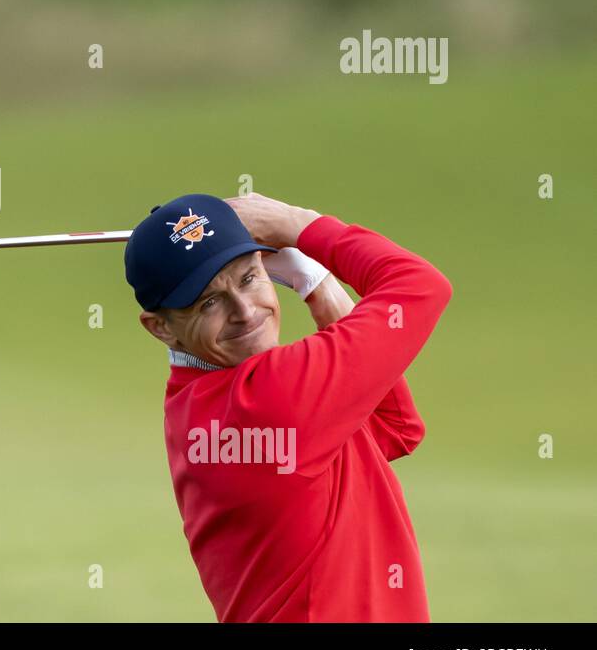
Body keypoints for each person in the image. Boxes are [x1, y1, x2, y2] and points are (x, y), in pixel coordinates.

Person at [124, 192, 452, 621]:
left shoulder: (193, 403)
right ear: (161, 328)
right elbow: (422, 285)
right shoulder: (271, 397)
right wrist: (302, 225)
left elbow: (392, 429)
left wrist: (323, 290)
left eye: (247, 278)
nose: (244, 312)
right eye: (209, 302)